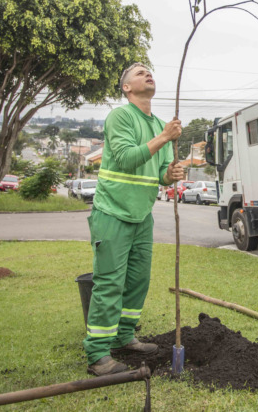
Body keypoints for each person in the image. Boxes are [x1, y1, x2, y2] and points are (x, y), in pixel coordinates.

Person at [83, 62, 184, 376]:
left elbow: (160, 175)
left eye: (149, 71)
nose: (147, 73)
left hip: (142, 216)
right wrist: (164, 137)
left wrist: (171, 174)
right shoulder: (121, 116)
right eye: (139, 73)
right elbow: (127, 159)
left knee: (138, 281)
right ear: (126, 87)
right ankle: (99, 354)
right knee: (110, 282)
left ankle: (125, 336)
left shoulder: (162, 125)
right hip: (112, 212)